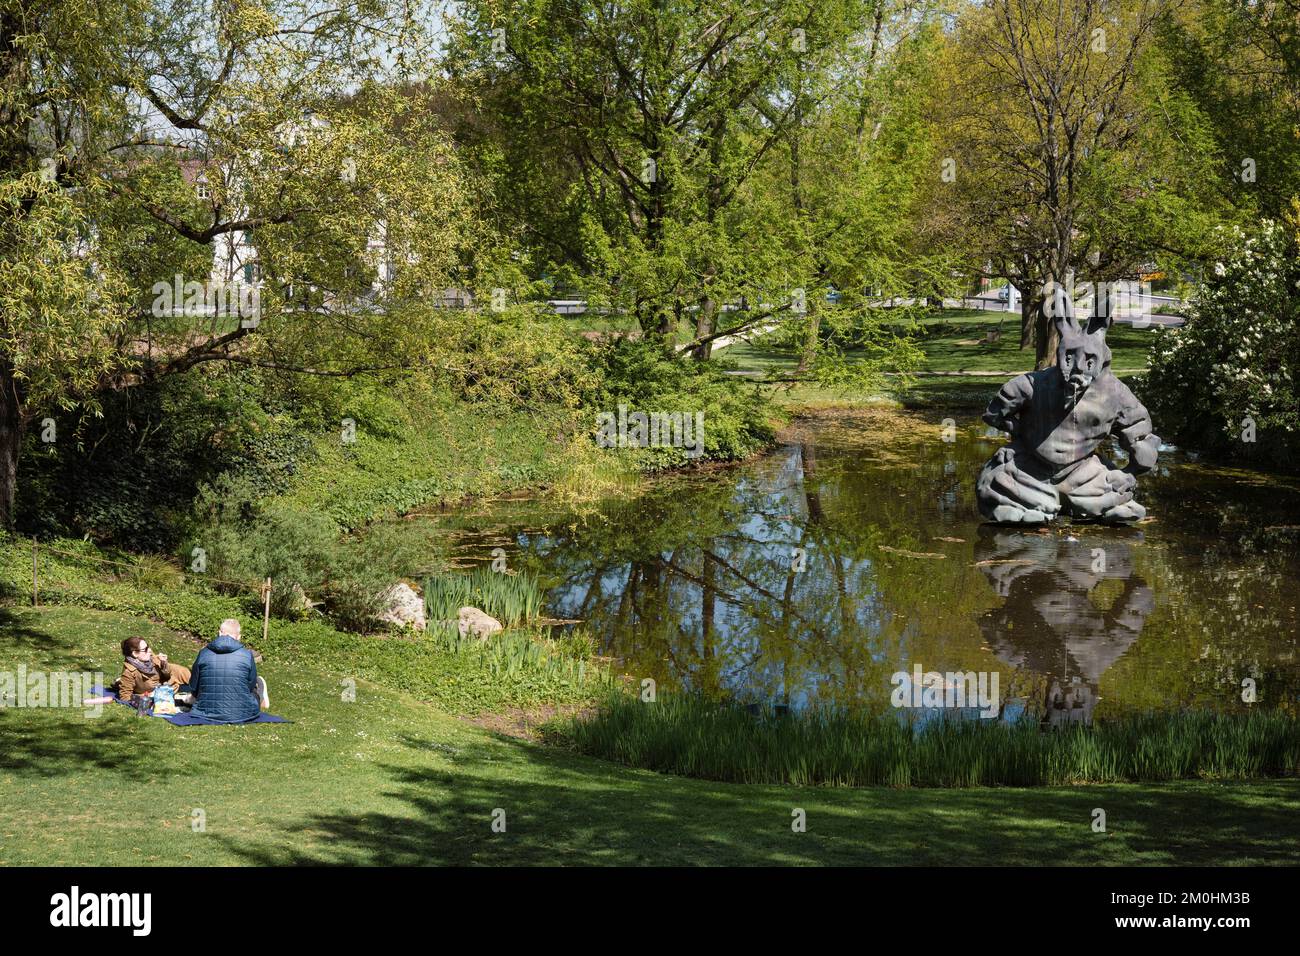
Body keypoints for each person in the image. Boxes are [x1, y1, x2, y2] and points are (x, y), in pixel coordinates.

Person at [187, 619, 270, 724]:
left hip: (204, 711)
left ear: (219, 633)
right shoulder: (247, 655)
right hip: (242, 713)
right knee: (254, 690)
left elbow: (194, 685)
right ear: (239, 636)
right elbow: (250, 685)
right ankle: (261, 698)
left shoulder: (203, 653)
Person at [115, 637, 192, 704]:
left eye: (148, 646)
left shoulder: (151, 658)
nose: (150, 650)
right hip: (162, 690)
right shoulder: (129, 672)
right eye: (145, 649)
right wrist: (149, 696)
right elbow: (125, 697)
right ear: (135, 653)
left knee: (190, 680)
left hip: (169, 684)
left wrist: (164, 664)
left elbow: (167, 676)